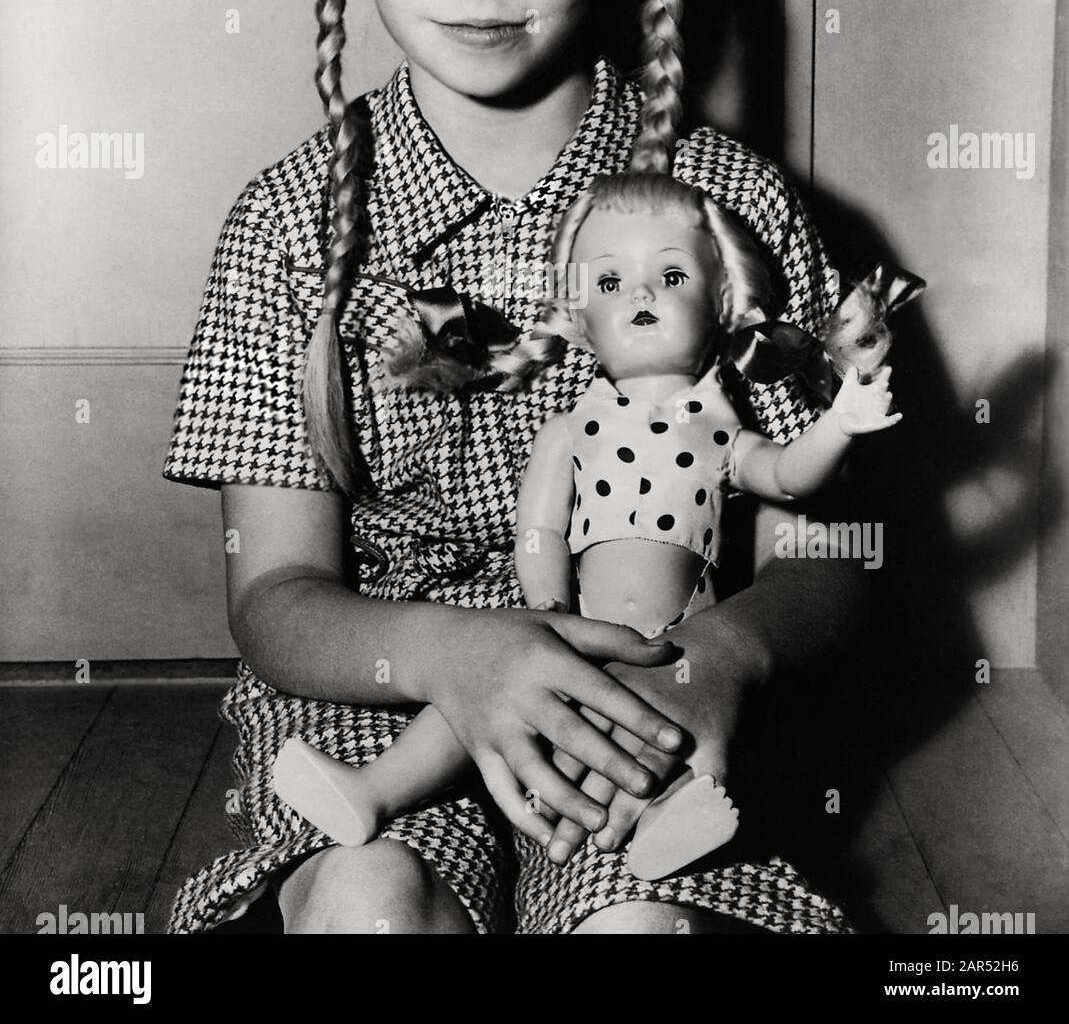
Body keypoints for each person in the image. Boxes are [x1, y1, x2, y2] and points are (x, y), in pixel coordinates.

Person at [163, 0, 865, 934]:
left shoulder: (726, 207)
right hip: (379, 686)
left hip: (647, 669)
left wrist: (727, 663)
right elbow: (274, 600)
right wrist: (452, 657)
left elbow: (833, 556)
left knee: (639, 927)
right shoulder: (286, 226)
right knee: (372, 905)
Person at [272, 172, 904, 883]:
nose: (640, 295)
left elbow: (789, 475)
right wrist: (546, 610)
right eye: (611, 282)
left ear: (722, 301)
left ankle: (667, 826)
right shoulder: (570, 429)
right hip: (570, 630)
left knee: (661, 741)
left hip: (674, 650)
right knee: (461, 707)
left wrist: (840, 426)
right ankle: (371, 791)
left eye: (669, 275)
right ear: (577, 314)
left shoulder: (722, 430)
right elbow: (537, 533)